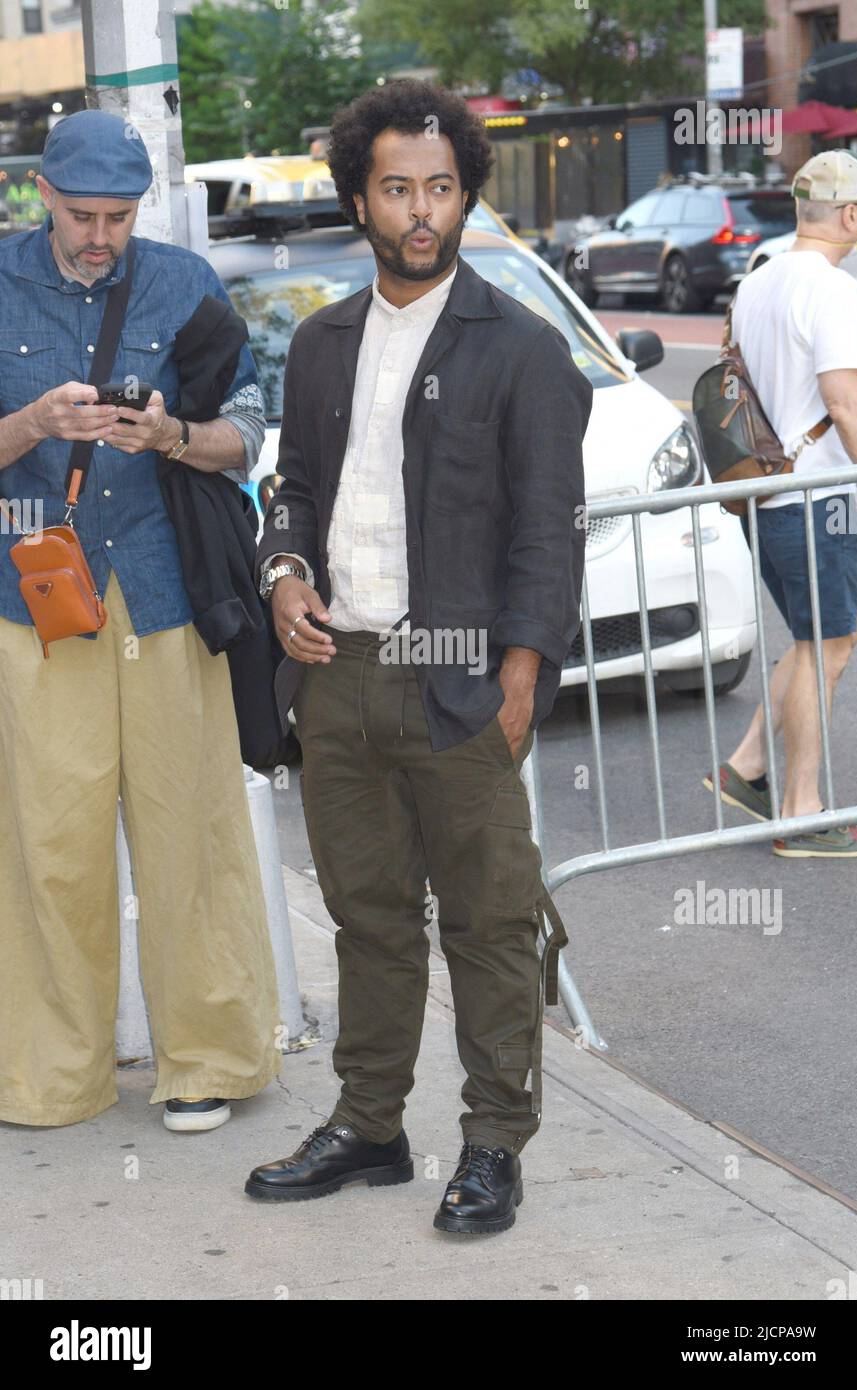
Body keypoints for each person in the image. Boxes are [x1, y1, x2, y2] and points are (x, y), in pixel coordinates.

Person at [245, 79, 592, 1234]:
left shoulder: (524, 350)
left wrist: (521, 674)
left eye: (440, 188)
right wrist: (283, 574)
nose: (420, 210)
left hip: (460, 681)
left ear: (464, 198)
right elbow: (292, 489)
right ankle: (370, 1125)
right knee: (369, 917)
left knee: (490, 921)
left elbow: (548, 530)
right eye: (397, 188)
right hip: (336, 676)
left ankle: (493, 1140)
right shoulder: (318, 341)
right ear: (360, 198)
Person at [0, 109, 282, 1130]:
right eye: (82, 214)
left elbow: (246, 434)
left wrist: (173, 433)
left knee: (189, 827)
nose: (100, 236)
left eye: (119, 216)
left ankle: (209, 1058)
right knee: (46, 841)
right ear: (43, 196)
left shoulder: (185, 286)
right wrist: (33, 424)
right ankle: (46, 1074)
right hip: (33, 602)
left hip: (164, 593)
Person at [705, 149, 857, 858]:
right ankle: (801, 812)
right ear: (852, 215)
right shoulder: (835, 291)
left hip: (766, 493)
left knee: (816, 642)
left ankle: (745, 768)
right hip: (815, 497)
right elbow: (845, 401)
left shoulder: (759, 283)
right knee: (828, 647)